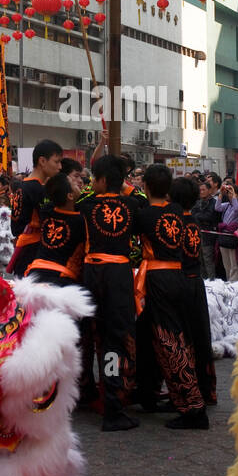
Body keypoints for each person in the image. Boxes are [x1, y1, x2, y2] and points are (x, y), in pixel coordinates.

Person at [134, 163, 207, 430]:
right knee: (175, 340)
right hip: (178, 278)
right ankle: (177, 398)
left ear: (147, 187)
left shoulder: (143, 216)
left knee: (170, 342)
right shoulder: (177, 211)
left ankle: (194, 407)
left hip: (158, 280)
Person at [79, 154, 138, 432]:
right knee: (115, 341)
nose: (91, 183)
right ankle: (112, 403)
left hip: (92, 274)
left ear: (101, 180)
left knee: (92, 335)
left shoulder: (86, 204)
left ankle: (94, 393)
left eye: (94, 178)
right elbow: (137, 196)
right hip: (119, 276)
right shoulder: (132, 204)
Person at [171, 176, 217, 406]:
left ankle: (189, 392)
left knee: (185, 339)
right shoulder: (192, 221)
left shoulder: (176, 222)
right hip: (195, 283)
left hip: (183, 283)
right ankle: (205, 388)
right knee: (199, 337)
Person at [9, 139, 62, 276]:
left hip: (23, 246)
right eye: (56, 162)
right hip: (34, 250)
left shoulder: (23, 186)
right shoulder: (37, 189)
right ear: (42, 161)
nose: (60, 167)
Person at [24, 171, 85, 285]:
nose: (78, 182)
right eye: (73, 182)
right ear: (70, 195)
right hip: (60, 278)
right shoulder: (81, 221)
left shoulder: (46, 212)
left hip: (34, 273)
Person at [215, 181, 238, 282]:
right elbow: (217, 207)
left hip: (234, 237)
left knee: (234, 264)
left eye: (232, 193)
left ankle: (235, 284)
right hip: (224, 236)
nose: (230, 195)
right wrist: (221, 193)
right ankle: (229, 282)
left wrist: (233, 195)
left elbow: (237, 209)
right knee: (226, 263)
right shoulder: (227, 205)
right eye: (229, 193)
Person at [192, 177, 221, 279]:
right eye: (200, 190)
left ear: (209, 190)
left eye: (204, 190)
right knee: (200, 260)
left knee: (208, 260)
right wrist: (199, 216)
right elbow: (193, 214)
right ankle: (203, 281)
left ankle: (212, 282)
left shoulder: (213, 202)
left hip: (209, 236)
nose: (201, 192)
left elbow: (209, 216)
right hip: (198, 234)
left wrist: (199, 216)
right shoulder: (198, 202)